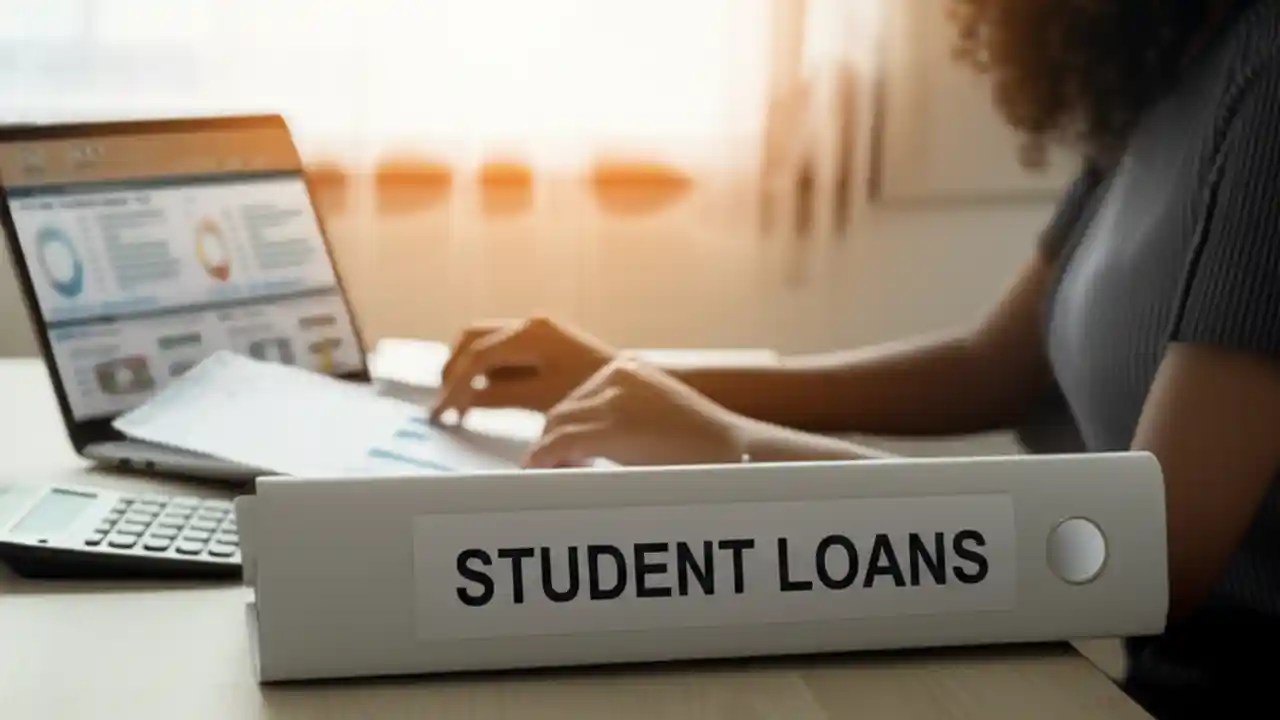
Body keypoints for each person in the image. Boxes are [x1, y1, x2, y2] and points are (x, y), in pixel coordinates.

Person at [430, 0, 1280, 716]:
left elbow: (1145, 553)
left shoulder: (1268, 73)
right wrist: (627, 377)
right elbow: (991, 365)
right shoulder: (1167, 73)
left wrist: (733, 448)